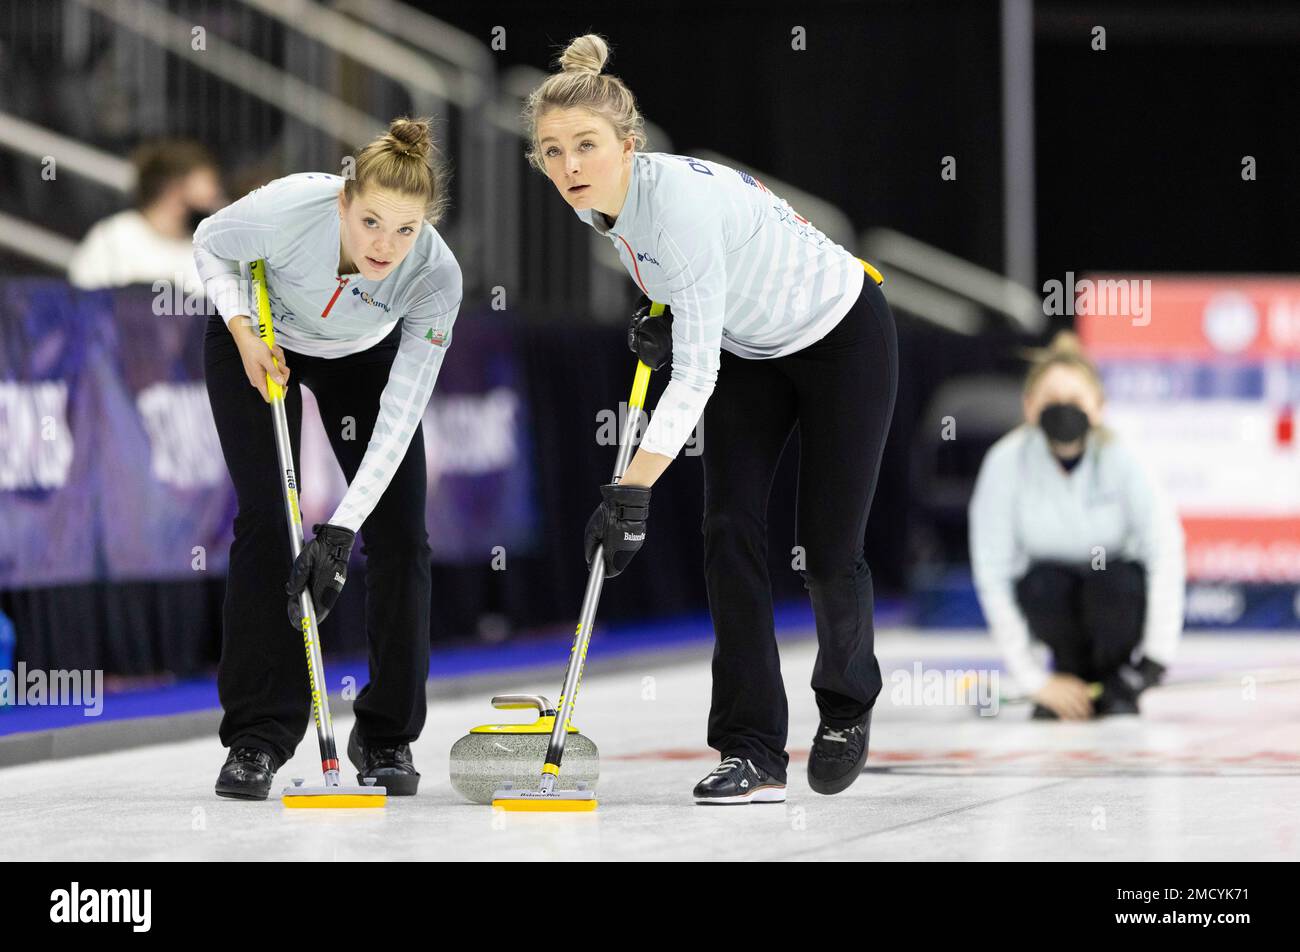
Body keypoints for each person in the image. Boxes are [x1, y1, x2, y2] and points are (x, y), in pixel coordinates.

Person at [525, 35, 898, 803]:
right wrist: (660, 310)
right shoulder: (601, 206)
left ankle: (847, 705)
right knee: (729, 528)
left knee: (827, 551)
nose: (569, 167)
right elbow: (685, 285)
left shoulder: (678, 205)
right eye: (553, 151)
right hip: (748, 348)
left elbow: (692, 378)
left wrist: (630, 492)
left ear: (629, 146)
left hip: (842, 333)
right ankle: (752, 747)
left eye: (586, 147)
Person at [193, 117, 462, 799]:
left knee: (401, 534)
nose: (385, 246)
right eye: (371, 222)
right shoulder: (290, 208)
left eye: (405, 230)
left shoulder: (435, 276)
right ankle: (257, 738)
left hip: (363, 358)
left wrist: (341, 529)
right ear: (343, 202)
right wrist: (241, 328)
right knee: (270, 521)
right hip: (262, 340)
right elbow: (209, 244)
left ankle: (387, 732)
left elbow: (401, 414)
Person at [969, 331, 1185, 720]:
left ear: (1098, 407)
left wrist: (1155, 659)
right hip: (1050, 598)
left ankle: (1113, 679)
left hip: (1115, 597)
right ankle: (1066, 681)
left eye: (1075, 402)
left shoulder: (1125, 458)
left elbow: (1166, 549)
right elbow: (992, 572)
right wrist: (1034, 679)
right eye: (1051, 401)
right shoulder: (1003, 463)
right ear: (1029, 406)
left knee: (1114, 581)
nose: (1063, 410)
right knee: (1042, 583)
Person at [70, 139, 224, 293]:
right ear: (174, 185)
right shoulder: (115, 235)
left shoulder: (203, 251)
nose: (216, 192)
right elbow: (84, 299)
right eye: (210, 182)